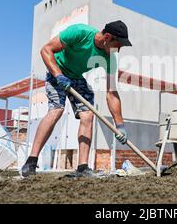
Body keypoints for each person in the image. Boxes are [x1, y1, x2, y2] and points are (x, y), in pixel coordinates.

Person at [21, 21, 132, 178]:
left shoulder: (109, 59)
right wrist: (58, 75)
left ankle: (82, 167)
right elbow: (46, 50)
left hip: (76, 79)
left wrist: (120, 125)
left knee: (88, 115)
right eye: (118, 45)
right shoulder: (79, 32)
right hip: (57, 71)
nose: (118, 50)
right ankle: (31, 162)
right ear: (107, 37)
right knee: (56, 110)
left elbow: (112, 93)